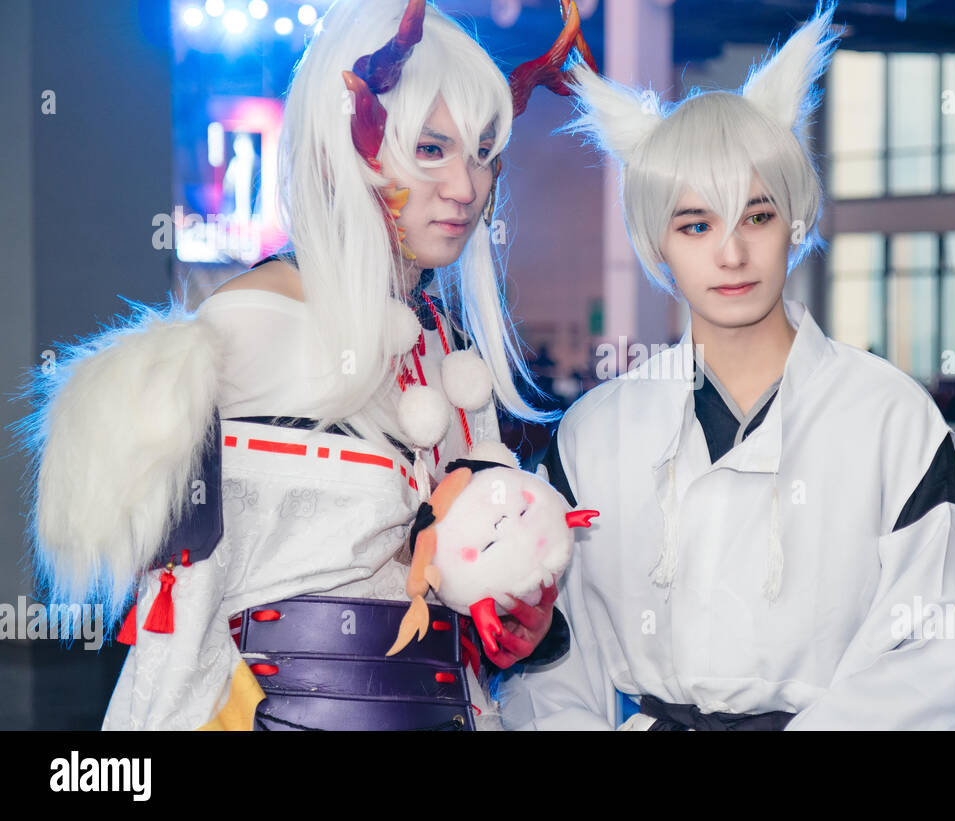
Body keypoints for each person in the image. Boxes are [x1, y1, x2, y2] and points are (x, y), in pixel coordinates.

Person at [21, 0, 593, 731]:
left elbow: (451, 603)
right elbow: (181, 613)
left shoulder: (447, 349)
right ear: (340, 144)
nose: (466, 186)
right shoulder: (246, 330)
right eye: (430, 150)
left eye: (482, 152)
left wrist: (514, 623)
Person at [496, 3, 955, 730]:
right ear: (657, 241)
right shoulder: (595, 431)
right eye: (696, 224)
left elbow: (934, 658)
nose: (730, 254)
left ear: (794, 220)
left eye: (756, 216)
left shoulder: (889, 415)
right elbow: (553, 662)